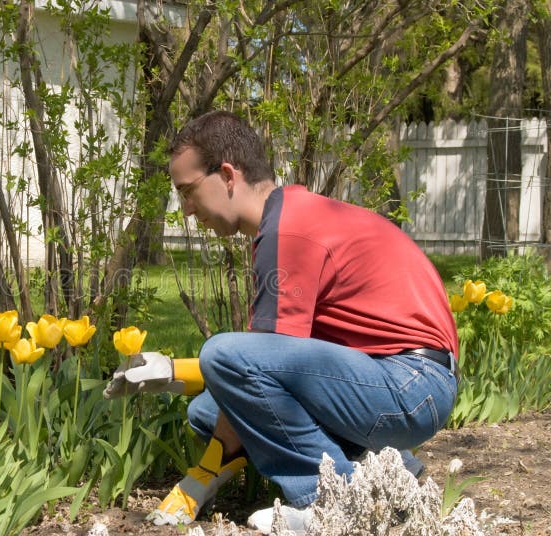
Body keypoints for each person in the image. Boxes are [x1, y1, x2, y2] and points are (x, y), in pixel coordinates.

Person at [103, 111, 458, 534]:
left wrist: (202, 474)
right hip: (400, 382)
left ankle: (329, 502)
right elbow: (267, 372)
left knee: (223, 355)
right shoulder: (293, 215)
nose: (186, 210)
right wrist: (175, 375)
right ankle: (389, 471)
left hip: (409, 385)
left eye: (188, 191)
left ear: (228, 175)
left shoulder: (288, 232)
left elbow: (246, 365)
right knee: (206, 412)